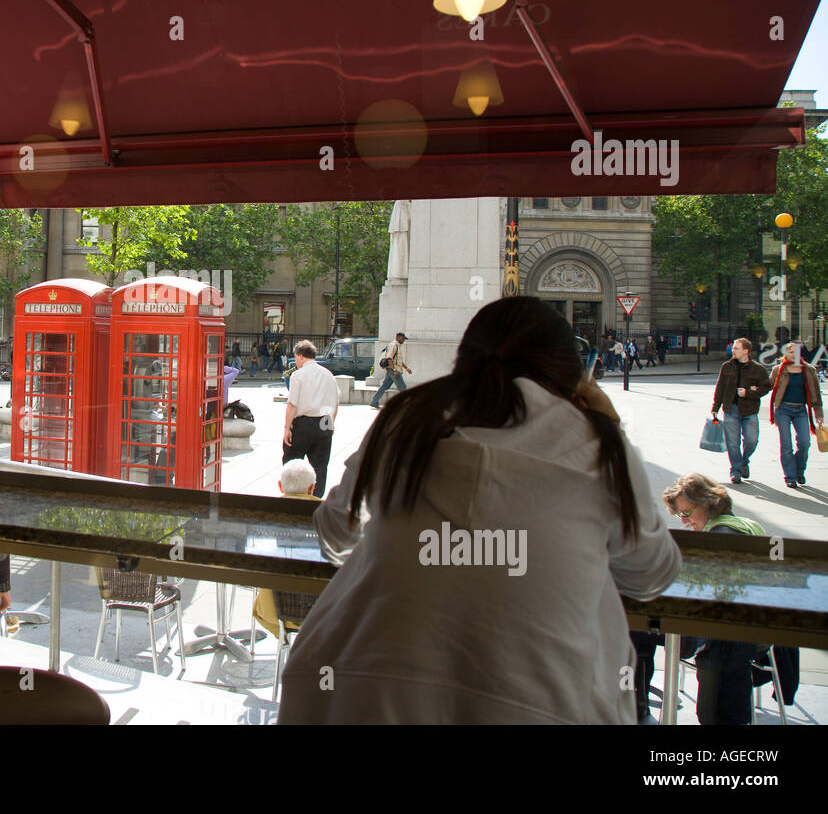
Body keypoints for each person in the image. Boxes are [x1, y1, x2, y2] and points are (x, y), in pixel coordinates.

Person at [278, 296, 681, 724]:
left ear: (465, 355)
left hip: (361, 691)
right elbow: (650, 573)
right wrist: (611, 425)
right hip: (547, 702)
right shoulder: (599, 443)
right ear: (571, 371)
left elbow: (335, 532)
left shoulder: (405, 419)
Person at [662, 474, 787, 724]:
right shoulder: (744, 524)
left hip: (735, 639)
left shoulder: (721, 536)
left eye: (686, 513)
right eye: (679, 516)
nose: (684, 522)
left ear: (708, 503)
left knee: (653, 632)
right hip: (761, 628)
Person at [251, 460, 319, 639]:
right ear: (312, 488)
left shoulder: (262, 515)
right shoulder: (331, 515)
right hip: (322, 613)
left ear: (280, 486)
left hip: (275, 611)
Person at [282, 340, 340, 498]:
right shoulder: (328, 374)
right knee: (320, 466)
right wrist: (331, 424)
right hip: (325, 423)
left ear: (300, 356)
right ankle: (316, 498)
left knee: (292, 463)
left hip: (303, 423)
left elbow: (292, 404)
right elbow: (335, 404)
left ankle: (293, 497)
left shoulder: (298, 375)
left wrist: (287, 428)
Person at [710, 337, 771, 485]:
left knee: (752, 440)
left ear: (746, 351)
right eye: (733, 348)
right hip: (731, 409)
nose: (733, 350)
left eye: (736, 348)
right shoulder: (727, 366)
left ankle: (744, 461)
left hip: (749, 410)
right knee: (732, 443)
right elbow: (720, 388)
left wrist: (749, 393)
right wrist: (715, 407)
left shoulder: (758, 368)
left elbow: (766, 387)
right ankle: (736, 471)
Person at [768, 342, 823, 488]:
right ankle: (790, 476)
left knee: (805, 442)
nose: (794, 354)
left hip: (801, 410)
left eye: (796, 352)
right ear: (786, 354)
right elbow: (767, 386)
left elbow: (815, 393)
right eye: (791, 352)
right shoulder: (778, 370)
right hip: (783, 409)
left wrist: (818, 413)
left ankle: (799, 471)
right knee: (786, 445)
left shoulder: (809, 370)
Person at [370, 332, 412, 409]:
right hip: (393, 370)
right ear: (398, 337)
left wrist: (406, 368)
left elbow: (398, 361)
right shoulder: (393, 345)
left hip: (391, 370)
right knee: (403, 388)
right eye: (403, 338)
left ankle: (374, 402)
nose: (403, 340)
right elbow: (389, 359)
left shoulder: (397, 346)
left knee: (384, 386)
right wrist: (394, 370)